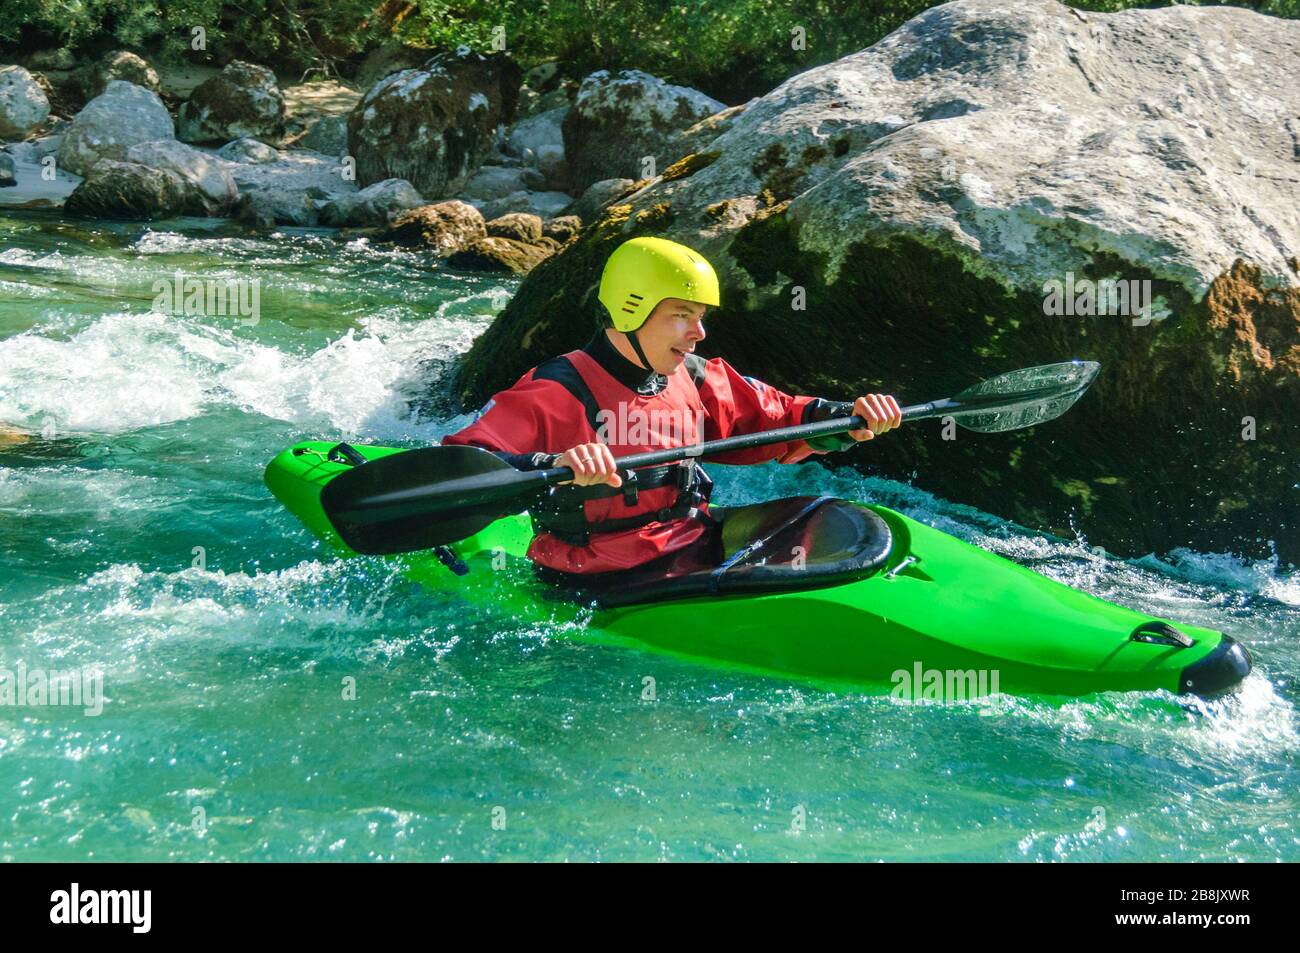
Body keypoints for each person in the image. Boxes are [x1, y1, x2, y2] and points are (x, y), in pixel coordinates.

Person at [443, 236, 902, 576]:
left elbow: (777, 418)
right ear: (631, 310)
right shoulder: (555, 390)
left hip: (691, 545)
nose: (698, 333)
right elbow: (464, 466)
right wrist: (551, 463)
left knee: (818, 516)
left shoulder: (694, 376)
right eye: (682, 314)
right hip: (601, 574)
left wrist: (843, 419)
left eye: (700, 317)